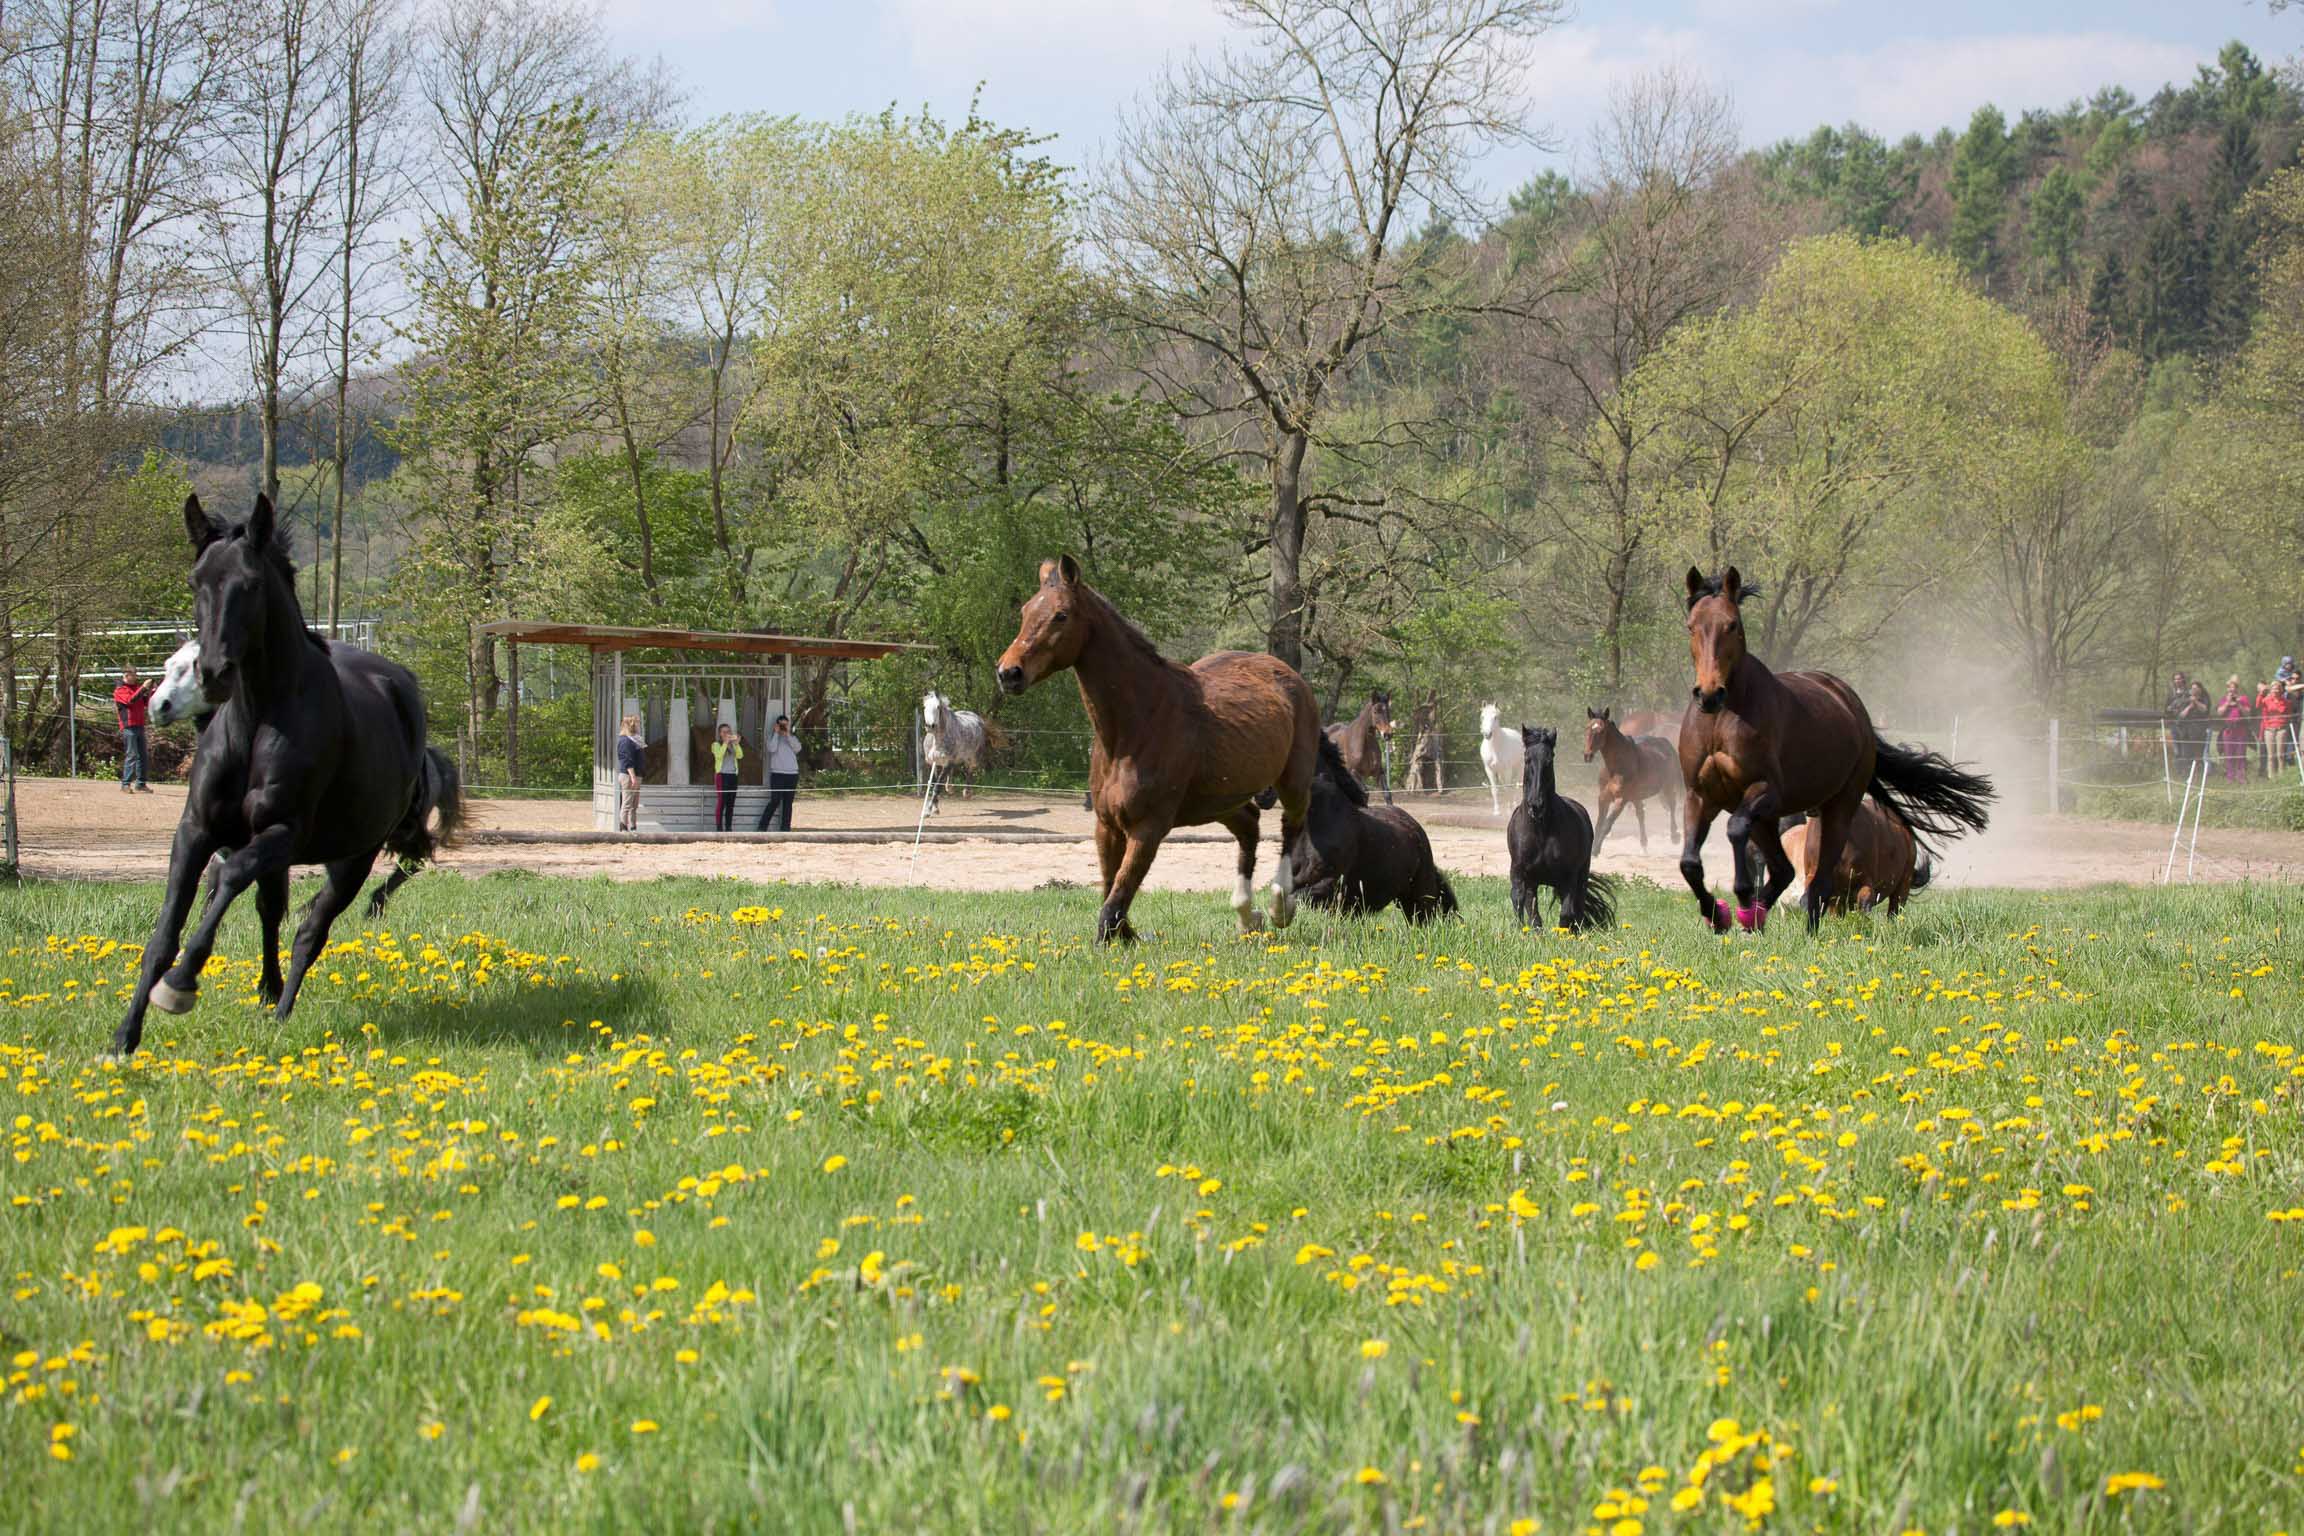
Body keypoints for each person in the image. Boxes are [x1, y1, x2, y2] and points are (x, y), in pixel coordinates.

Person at [113, 665, 155, 793]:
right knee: (132, 754)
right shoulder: (120, 690)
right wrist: (143, 688)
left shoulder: (136, 688)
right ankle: (125, 784)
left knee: (142, 755)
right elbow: (130, 700)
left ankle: (141, 784)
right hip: (129, 727)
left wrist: (152, 691)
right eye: (133, 674)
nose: (135, 677)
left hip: (140, 725)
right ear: (126, 675)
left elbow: (146, 703)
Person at [756, 714, 800, 832]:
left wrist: (788, 735)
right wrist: (776, 733)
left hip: (792, 774)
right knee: (775, 800)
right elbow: (771, 749)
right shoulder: (772, 737)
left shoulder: (792, 737)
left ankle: (785, 828)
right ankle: (762, 827)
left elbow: (797, 748)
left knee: (788, 803)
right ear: (777, 725)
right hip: (777, 774)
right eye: (781, 724)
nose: (783, 727)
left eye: (785, 724)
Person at [2218, 676, 2252, 784]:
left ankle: (2241, 777)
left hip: (2241, 729)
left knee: (2241, 754)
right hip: (2228, 730)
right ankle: (2230, 778)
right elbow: (2219, 713)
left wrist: (2238, 703)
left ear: (2237, 689)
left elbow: (2247, 713)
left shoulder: (2243, 699)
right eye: (2229, 688)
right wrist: (2227, 702)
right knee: (2229, 755)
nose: (2231, 690)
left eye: (2233, 688)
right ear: (2227, 689)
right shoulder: (2224, 699)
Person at [615, 713, 646, 832]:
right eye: (635, 723)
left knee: (634, 805)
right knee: (627, 803)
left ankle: (633, 828)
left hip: (637, 775)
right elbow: (627, 760)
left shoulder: (636, 739)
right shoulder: (625, 740)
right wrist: (632, 776)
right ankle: (623, 828)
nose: (637, 725)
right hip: (629, 775)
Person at [710, 722, 743, 832]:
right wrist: (725, 743)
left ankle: (729, 827)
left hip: (733, 775)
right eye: (724, 732)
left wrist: (737, 744)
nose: (727, 734)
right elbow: (719, 755)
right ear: (720, 734)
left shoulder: (733, 745)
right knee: (721, 802)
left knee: (730, 803)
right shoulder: (716, 744)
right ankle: (719, 828)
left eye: (729, 731)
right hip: (722, 776)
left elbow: (740, 755)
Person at [2266, 674, 2295, 778]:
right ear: (2271, 690)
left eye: (2278, 688)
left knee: (2280, 755)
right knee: (2270, 756)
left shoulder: (2286, 702)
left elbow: (2289, 714)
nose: (2276, 690)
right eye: (2274, 688)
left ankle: (2282, 776)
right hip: (2269, 729)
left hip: (2281, 729)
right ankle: (2271, 777)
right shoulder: (2266, 700)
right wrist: (2261, 693)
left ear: (2281, 690)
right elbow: (2259, 706)